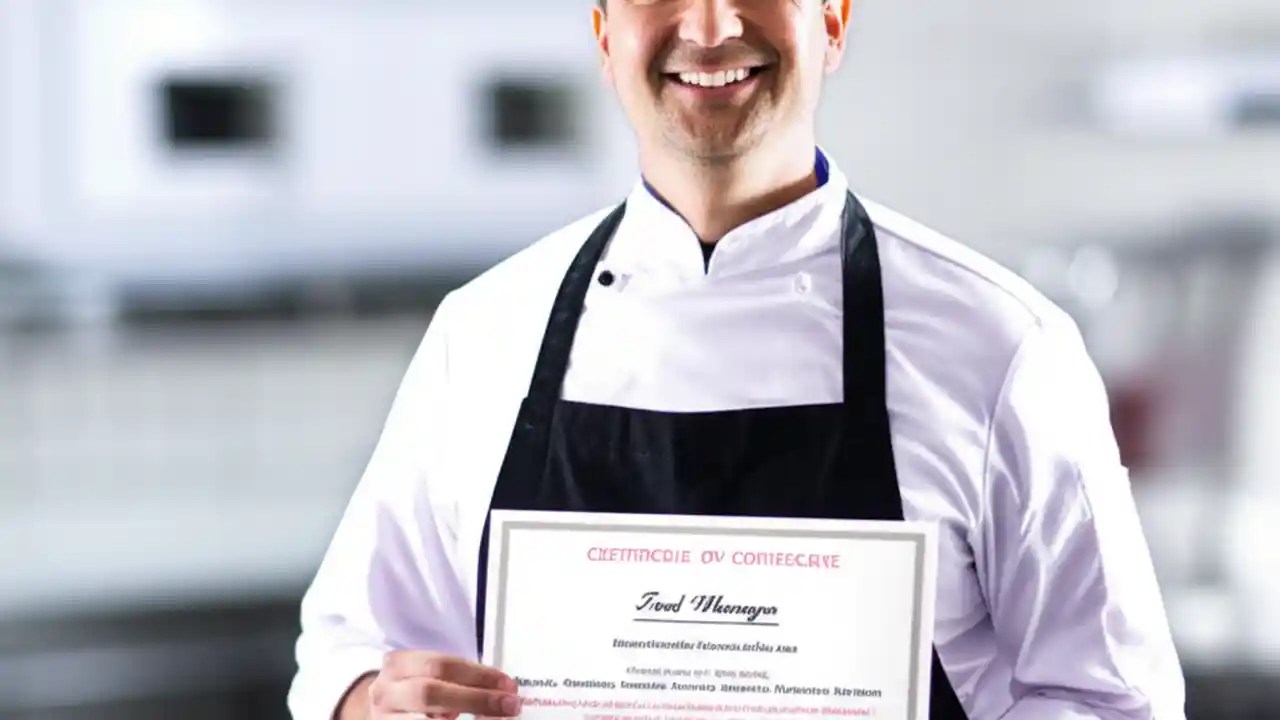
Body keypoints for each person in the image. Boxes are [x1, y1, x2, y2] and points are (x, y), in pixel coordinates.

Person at [287, 1, 1186, 718]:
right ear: (604, 34)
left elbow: (1116, 700)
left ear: (832, 20)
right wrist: (370, 702)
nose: (712, 27)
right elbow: (346, 653)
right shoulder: (481, 336)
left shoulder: (1003, 347)